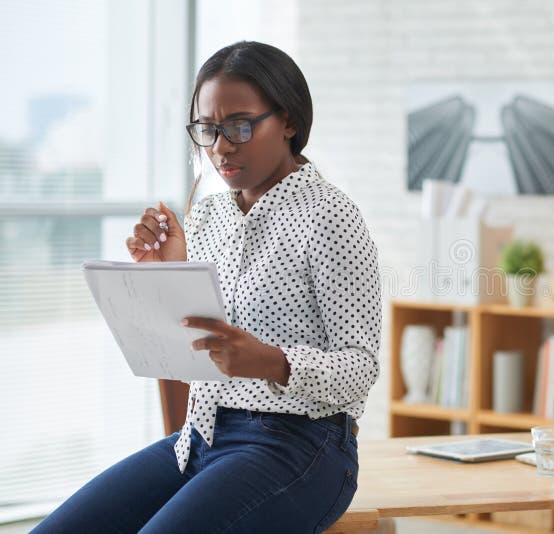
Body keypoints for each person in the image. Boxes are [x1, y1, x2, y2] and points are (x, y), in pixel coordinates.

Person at [32, 41, 381, 533]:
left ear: (288, 121)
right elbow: (190, 349)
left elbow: (361, 367)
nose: (220, 146)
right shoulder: (210, 215)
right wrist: (166, 276)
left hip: (301, 447)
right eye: (207, 129)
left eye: (239, 125)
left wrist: (271, 361)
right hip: (200, 438)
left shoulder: (330, 216)